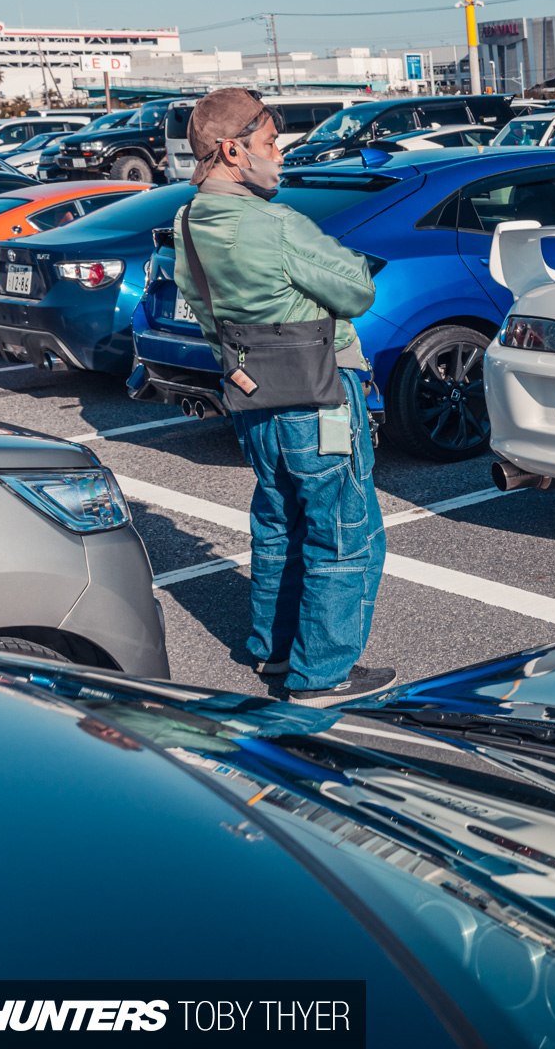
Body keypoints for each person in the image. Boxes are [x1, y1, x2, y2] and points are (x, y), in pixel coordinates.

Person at [175, 88, 394, 706]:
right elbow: (355, 292)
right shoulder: (276, 223)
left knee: (278, 522)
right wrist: (345, 262)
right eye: (270, 144)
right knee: (342, 529)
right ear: (231, 150)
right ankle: (323, 674)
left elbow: (203, 309)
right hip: (319, 392)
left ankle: (275, 652)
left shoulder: (187, 220)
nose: (280, 157)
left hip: (250, 391)